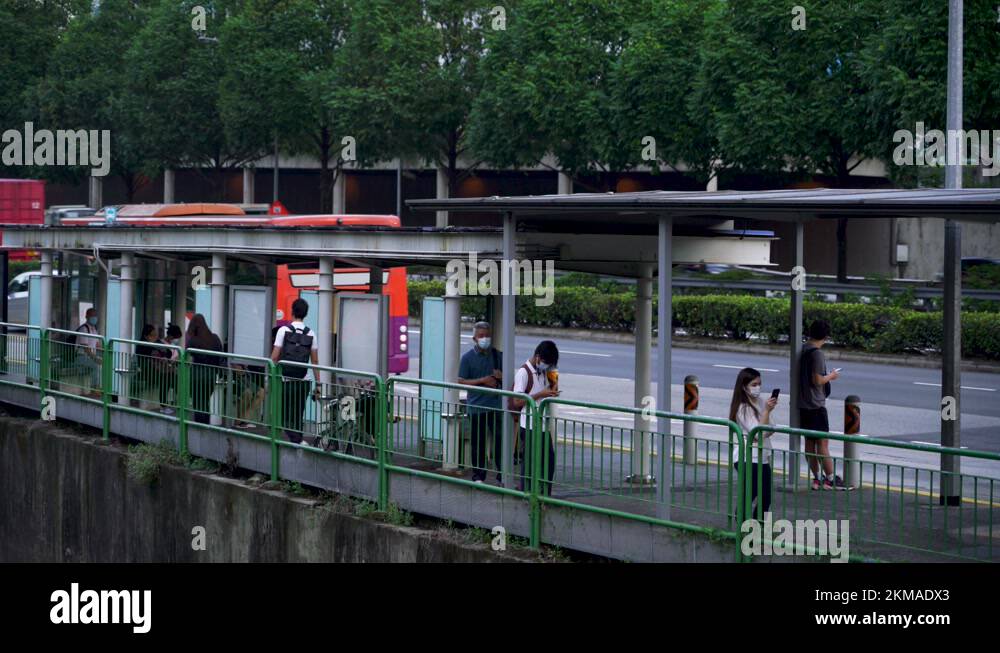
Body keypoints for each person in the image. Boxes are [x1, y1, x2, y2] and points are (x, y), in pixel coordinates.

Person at [798, 319, 848, 490]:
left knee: (809, 443)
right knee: (823, 444)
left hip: (803, 404)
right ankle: (832, 479)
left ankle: (817, 478)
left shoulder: (803, 348)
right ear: (826, 336)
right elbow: (818, 380)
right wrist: (832, 376)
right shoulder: (817, 353)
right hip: (816, 405)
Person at [510, 341, 560, 494]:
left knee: (548, 462)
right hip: (529, 426)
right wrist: (541, 394)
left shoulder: (544, 372)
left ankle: (545, 494)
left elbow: (546, 390)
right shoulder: (523, 373)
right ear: (538, 357)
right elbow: (517, 401)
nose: (548, 366)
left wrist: (552, 389)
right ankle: (527, 493)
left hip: (543, 425)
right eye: (547, 362)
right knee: (530, 463)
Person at [457, 321, 504, 483]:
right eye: (481, 336)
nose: (485, 339)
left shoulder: (498, 356)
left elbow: (510, 381)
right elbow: (460, 381)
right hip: (477, 407)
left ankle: (502, 474)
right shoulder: (467, 358)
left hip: (496, 407)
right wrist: (482, 381)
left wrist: (501, 377)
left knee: (500, 442)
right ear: (474, 338)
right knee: (478, 443)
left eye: (487, 336)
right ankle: (478, 475)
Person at [729, 367, 777, 520]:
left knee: (765, 497)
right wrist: (766, 413)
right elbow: (759, 432)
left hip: (762, 456)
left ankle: (757, 528)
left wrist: (766, 413)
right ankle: (741, 526)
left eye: (759, 383)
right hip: (746, 458)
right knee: (751, 492)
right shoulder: (742, 408)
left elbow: (771, 428)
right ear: (744, 386)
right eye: (754, 384)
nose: (758, 387)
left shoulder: (761, 402)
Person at [270, 298, 319, 444]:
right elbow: (315, 361)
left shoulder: (283, 331)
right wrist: (319, 384)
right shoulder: (311, 334)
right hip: (304, 381)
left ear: (292, 311)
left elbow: (274, 356)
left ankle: (296, 440)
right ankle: (298, 439)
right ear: (305, 314)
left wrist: (269, 376)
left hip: (286, 380)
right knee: (298, 413)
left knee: (284, 413)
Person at [186, 314, 223, 425]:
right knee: (205, 401)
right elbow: (220, 355)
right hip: (210, 375)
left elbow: (188, 352)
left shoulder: (193, 341)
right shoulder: (215, 338)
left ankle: (199, 425)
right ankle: (206, 424)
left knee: (197, 402)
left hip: (197, 374)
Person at [134, 324, 169, 405]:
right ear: (146, 336)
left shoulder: (156, 342)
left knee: (172, 376)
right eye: (152, 335)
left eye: (155, 335)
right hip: (146, 371)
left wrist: (163, 353)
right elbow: (147, 358)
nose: (155, 337)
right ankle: (163, 405)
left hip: (157, 369)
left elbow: (168, 352)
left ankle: (176, 402)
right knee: (165, 379)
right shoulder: (142, 345)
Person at [75, 307, 102, 398]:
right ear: (87, 316)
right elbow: (85, 348)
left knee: (103, 363)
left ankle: (99, 389)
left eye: (95, 316)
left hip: (90, 357)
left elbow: (98, 345)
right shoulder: (84, 329)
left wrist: (105, 355)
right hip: (81, 357)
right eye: (92, 315)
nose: (94, 318)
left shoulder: (94, 329)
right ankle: (93, 390)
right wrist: (95, 358)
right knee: (95, 365)